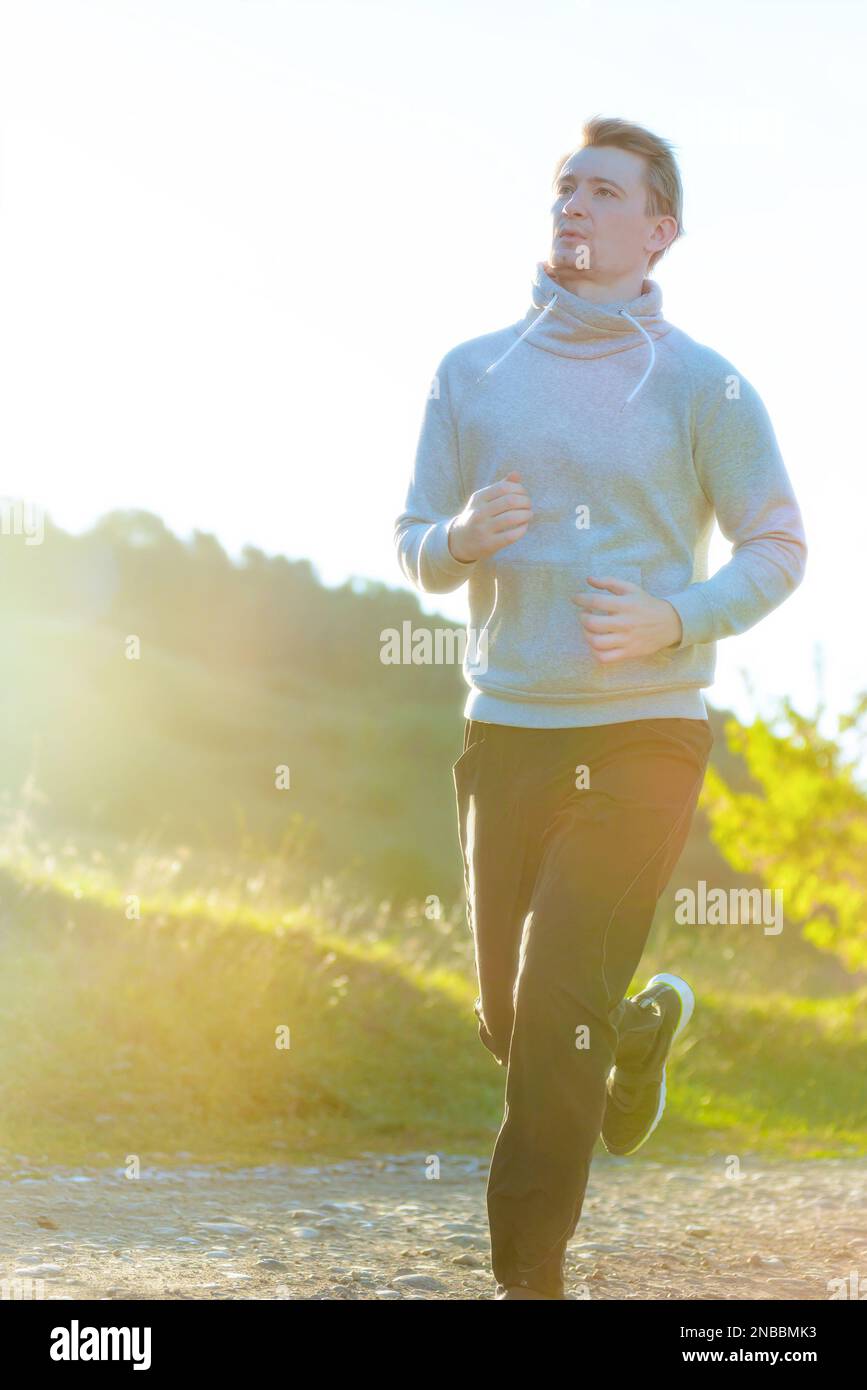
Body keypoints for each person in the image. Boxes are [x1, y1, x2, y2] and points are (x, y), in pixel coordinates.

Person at [393, 116, 807, 1300]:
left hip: (644, 736)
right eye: (565, 186)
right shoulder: (471, 369)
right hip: (509, 729)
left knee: (555, 1000)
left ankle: (529, 1282)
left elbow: (780, 544)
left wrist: (677, 618)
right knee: (514, 1018)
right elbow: (414, 539)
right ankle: (632, 1033)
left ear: (658, 230)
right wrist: (462, 539)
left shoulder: (702, 384)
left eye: (605, 191)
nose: (575, 203)